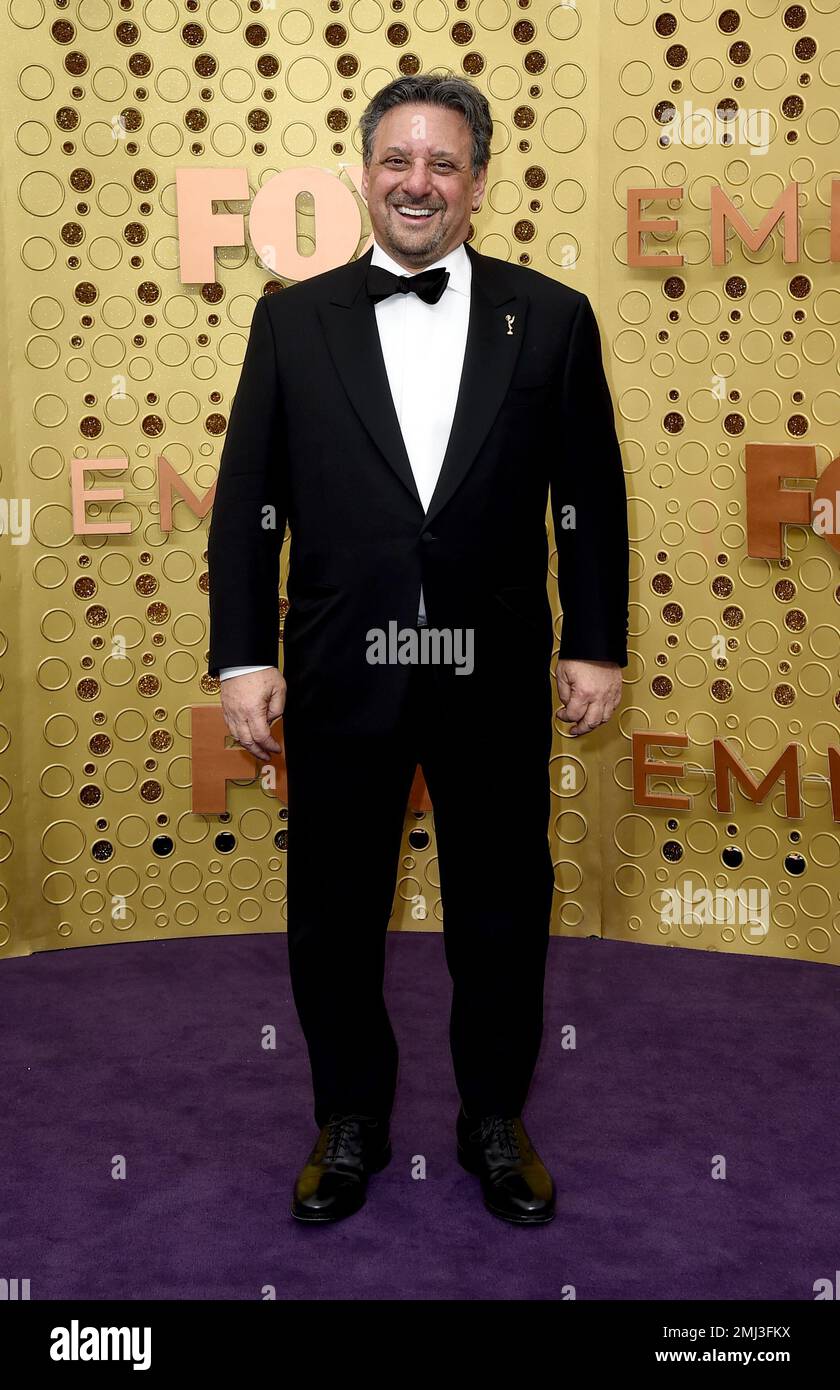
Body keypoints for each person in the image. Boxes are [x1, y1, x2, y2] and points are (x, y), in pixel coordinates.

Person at [207, 74, 630, 1226]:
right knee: (334, 904)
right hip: (346, 666)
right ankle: (348, 1117)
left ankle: (495, 1115)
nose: (419, 182)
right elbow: (249, 500)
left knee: (502, 899)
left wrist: (595, 641)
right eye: (399, 159)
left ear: (480, 184)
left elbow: (586, 494)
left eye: (445, 164)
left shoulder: (552, 317)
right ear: (364, 172)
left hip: (491, 668)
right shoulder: (292, 322)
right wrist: (244, 654)